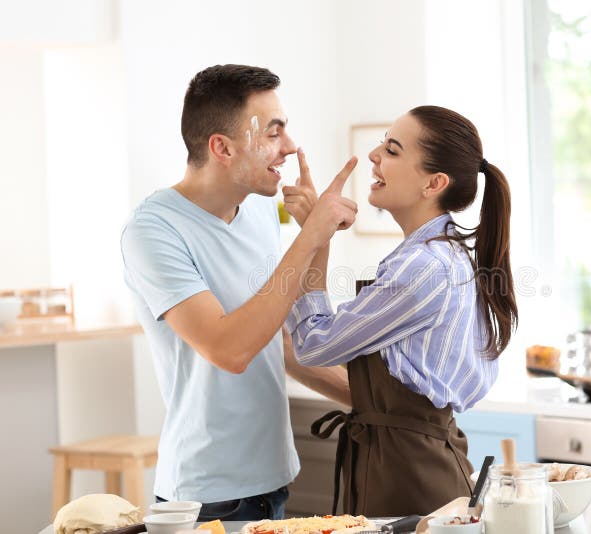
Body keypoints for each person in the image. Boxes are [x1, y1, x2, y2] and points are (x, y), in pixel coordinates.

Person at [120, 64, 357, 521]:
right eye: (273, 133)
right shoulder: (153, 230)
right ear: (222, 148)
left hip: (274, 481)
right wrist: (309, 236)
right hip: (205, 497)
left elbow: (281, 338)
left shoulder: (258, 213)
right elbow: (230, 348)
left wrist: (386, 406)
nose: (289, 147)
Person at [285, 105, 519, 516]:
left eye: (392, 150)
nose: (375, 156)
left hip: (412, 479)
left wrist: (315, 237)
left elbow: (314, 344)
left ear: (434, 183)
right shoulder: (440, 256)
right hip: (404, 467)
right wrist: (316, 234)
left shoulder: (422, 268)